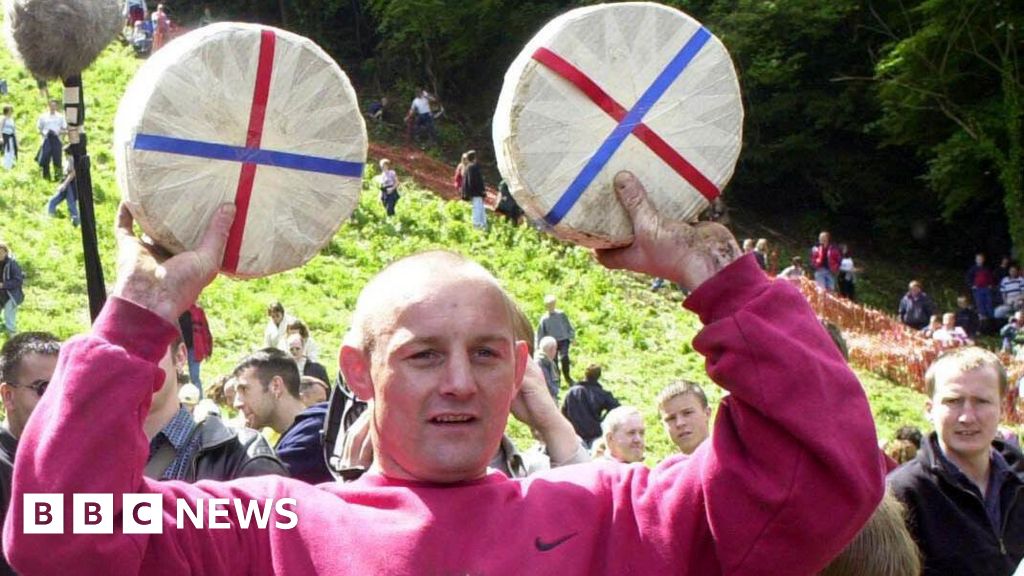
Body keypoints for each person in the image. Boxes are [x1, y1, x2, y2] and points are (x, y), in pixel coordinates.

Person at [4, 172, 884, 575]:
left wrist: (720, 281)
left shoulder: (621, 515)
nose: (459, 382)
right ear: (358, 371)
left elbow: (821, 479)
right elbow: (53, 535)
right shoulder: (261, 524)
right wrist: (131, 327)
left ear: (521, 375)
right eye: (423, 355)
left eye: (487, 354)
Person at [888, 347, 1024, 575]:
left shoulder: (1019, 478)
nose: (967, 417)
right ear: (930, 410)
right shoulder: (902, 496)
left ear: (1003, 409)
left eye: (981, 401)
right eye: (953, 401)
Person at [144, 339, 287, 482]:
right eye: (120, 349)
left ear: (179, 357)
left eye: (144, 349)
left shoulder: (243, 458)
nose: (130, 362)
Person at [0, 332, 58, 576]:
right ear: (8, 396)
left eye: (64, 386)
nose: (58, 400)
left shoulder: (76, 463)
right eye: (43, 389)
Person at [232, 348, 332, 484]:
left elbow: (254, 488)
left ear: (276, 386)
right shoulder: (296, 434)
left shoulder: (312, 433)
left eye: (244, 389)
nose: (237, 403)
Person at [561, 363, 620, 447]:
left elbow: (563, 412)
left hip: (574, 434)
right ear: (598, 376)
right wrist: (602, 421)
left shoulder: (572, 392)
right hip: (594, 434)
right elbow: (617, 408)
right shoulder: (602, 394)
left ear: (585, 374)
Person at [657, 380, 711, 455]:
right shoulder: (667, 466)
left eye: (687, 413)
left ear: (707, 413)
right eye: (671, 418)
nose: (679, 423)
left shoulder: (729, 456)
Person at [536, 294, 576, 383]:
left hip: (564, 340)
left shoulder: (561, 314)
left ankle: (568, 377)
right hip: (552, 342)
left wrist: (572, 337)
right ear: (546, 307)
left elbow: (568, 326)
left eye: (552, 305)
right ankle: (557, 379)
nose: (550, 307)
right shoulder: (544, 319)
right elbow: (540, 334)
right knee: (554, 362)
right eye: (548, 306)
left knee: (564, 357)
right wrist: (539, 347)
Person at [46, 147, 79, 226]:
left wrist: (64, 184)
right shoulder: (69, 160)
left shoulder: (72, 160)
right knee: (52, 202)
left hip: (70, 185)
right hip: (66, 184)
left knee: (72, 207)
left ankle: (77, 224)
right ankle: (51, 219)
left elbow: (72, 173)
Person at [35, 100, 65, 181]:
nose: (52, 107)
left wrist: (59, 132)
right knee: (46, 158)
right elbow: (39, 128)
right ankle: (46, 177)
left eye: (54, 106)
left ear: (56, 107)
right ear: (48, 106)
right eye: (51, 106)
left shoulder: (60, 117)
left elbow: (64, 128)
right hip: (46, 139)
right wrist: (43, 134)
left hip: (57, 138)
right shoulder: (43, 116)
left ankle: (58, 177)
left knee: (57, 159)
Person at [0, 243, 24, 337]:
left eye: (1, 252)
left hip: (11, 295)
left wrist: (3, 285)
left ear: (6, 253)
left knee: (9, 319)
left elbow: (18, 280)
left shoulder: (12, 264)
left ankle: (13, 341)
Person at [461, 149, 487, 230]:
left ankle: (483, 225)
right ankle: (477, 226)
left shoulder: (468, 167)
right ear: (474, 158)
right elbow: (475, 181)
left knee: (480, 209)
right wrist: (481, 191)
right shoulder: (473, 167)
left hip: (474, 193)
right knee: (477, 209)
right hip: (476, 193)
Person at [536, 335, 560, 400]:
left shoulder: (549, 361)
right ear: (551, 349)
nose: (556, 352)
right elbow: (547, 382)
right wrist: (555, 391)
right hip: (545, 398)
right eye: (555, 349)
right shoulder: (540, 362)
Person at [1, 105, 16, 170]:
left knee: (12, 151)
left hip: (11, 137)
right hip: (5, 136)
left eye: (11, 110)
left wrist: (17, 140)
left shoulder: (12, 119)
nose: (11, 111)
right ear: (6, 111)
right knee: (7, 151)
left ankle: (10, 166)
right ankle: (6, 167)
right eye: (10, 110)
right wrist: (1, 137)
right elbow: (0, 128)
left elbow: (14, 130)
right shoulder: (3, 118)